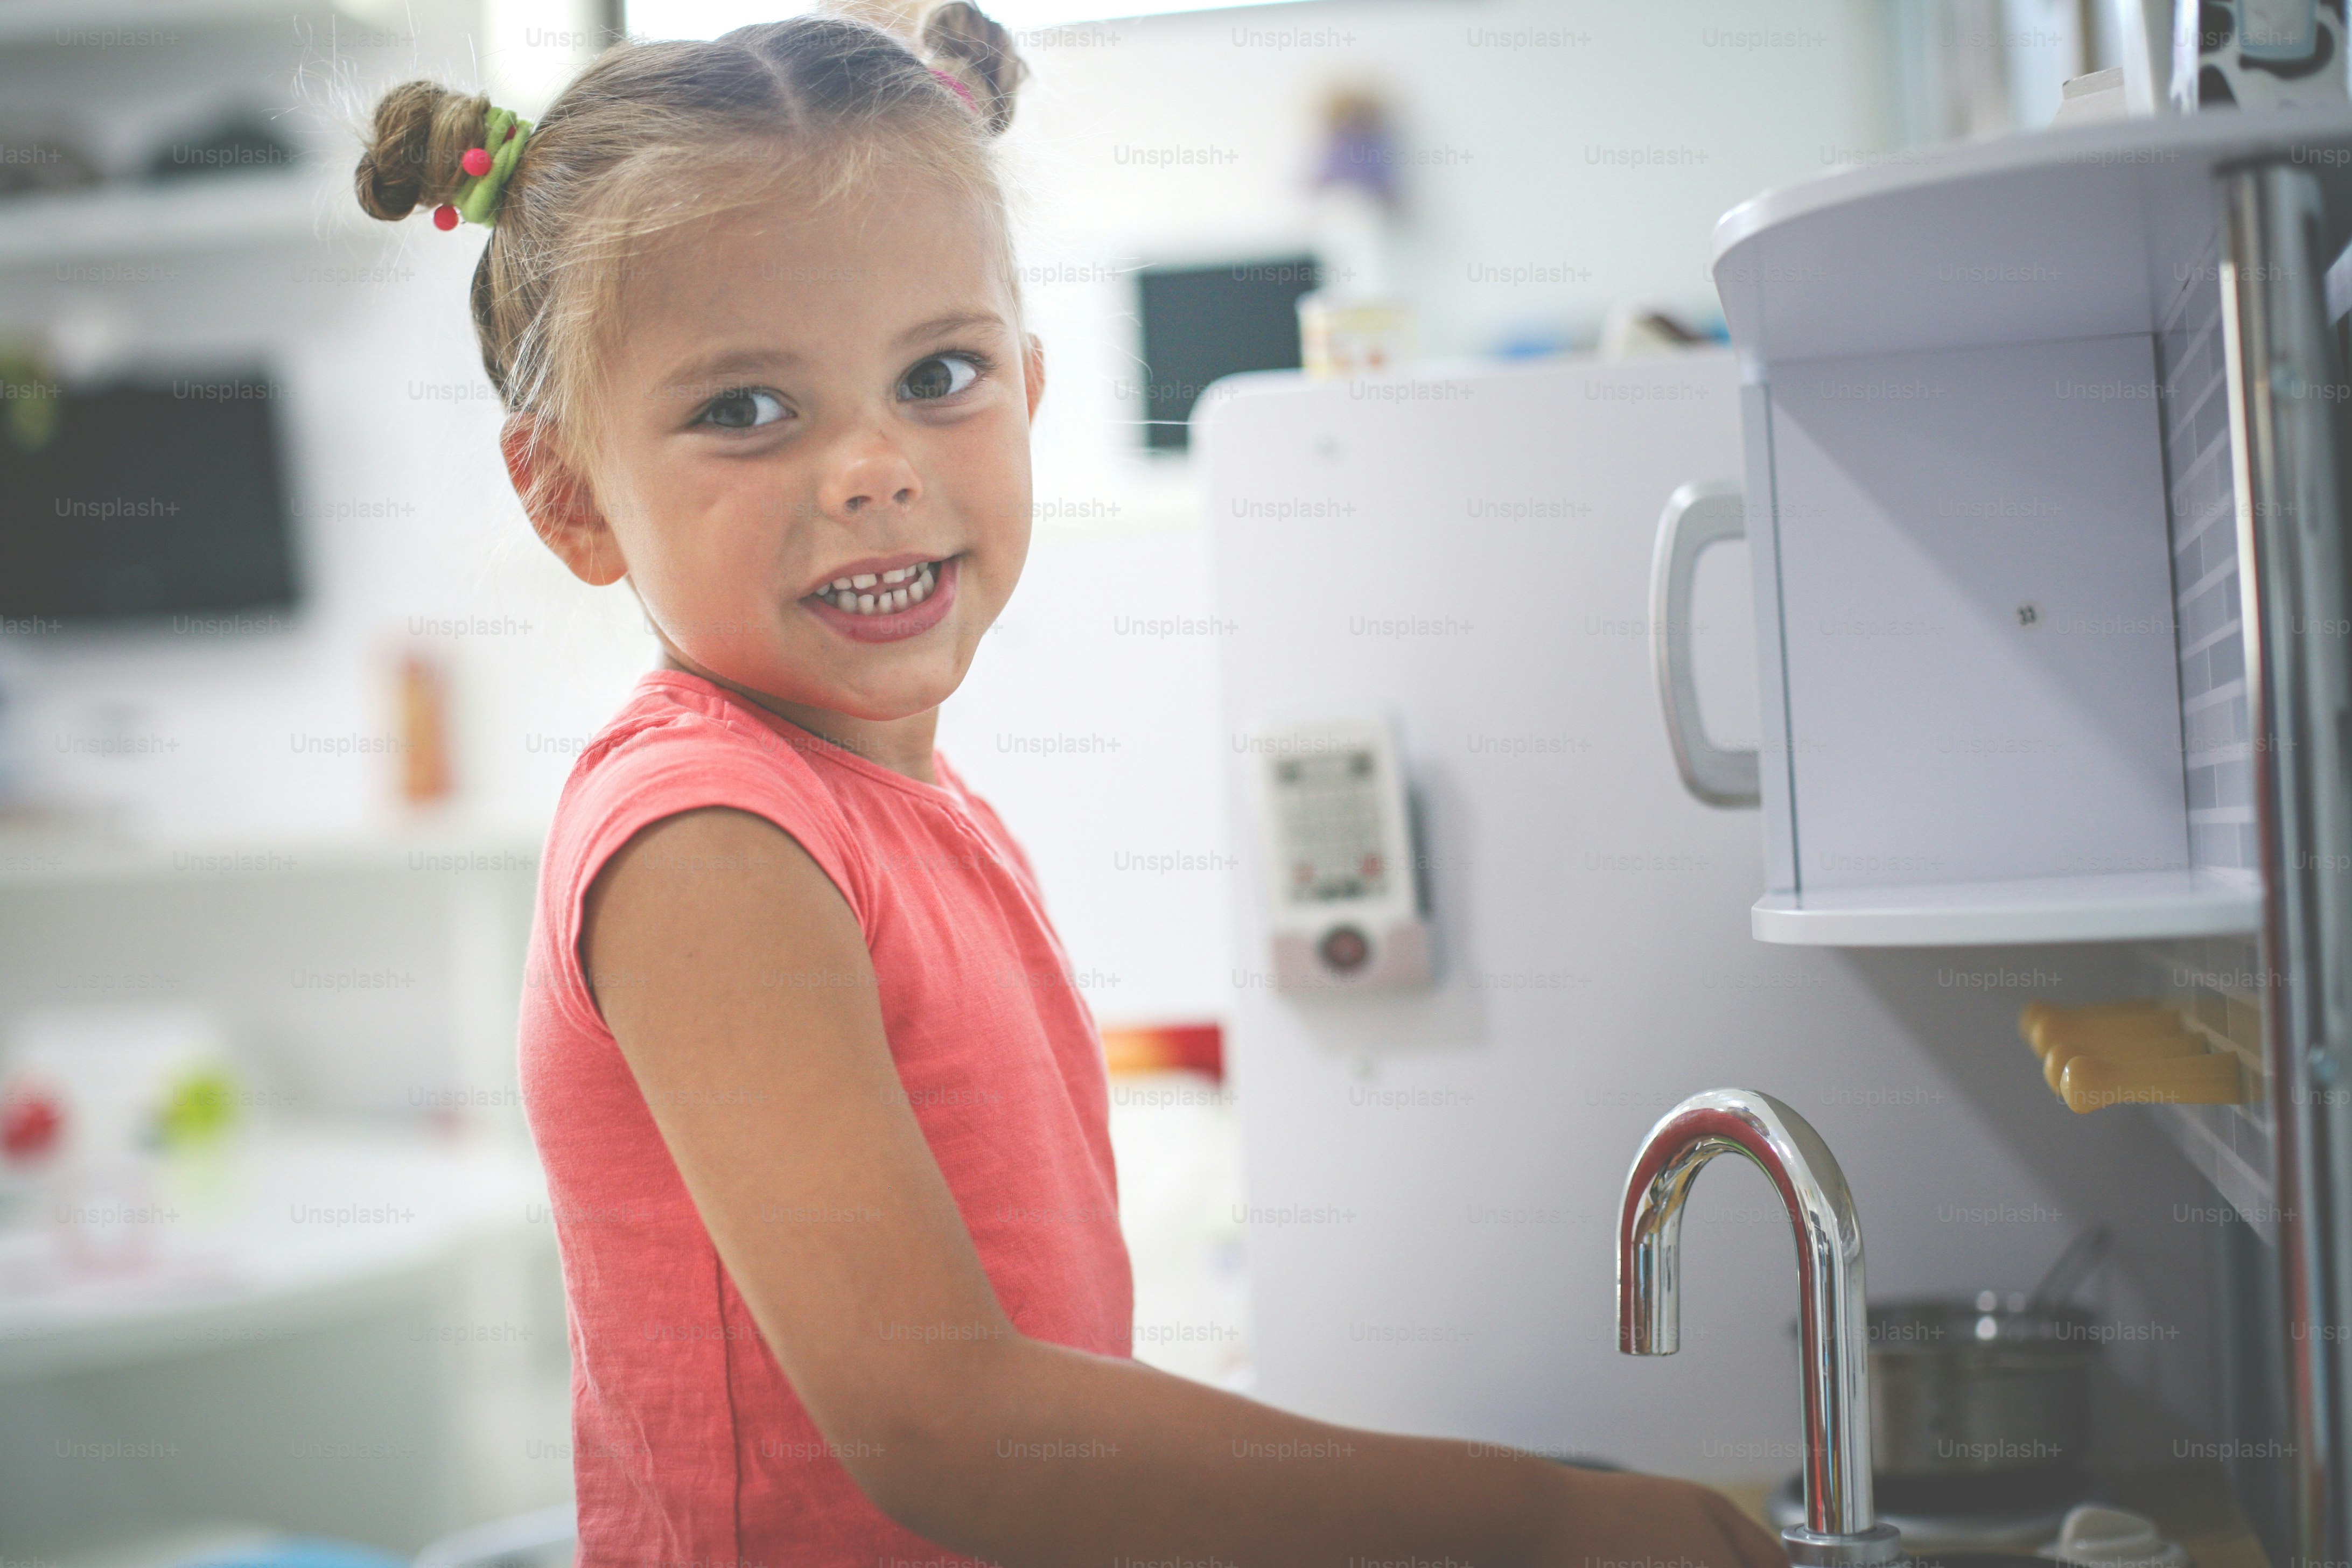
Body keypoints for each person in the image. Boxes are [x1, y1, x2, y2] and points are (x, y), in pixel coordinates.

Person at [352, 9, 1791, 1565]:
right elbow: (951, 1431)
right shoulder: (709, 839)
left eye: (939, 373)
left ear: (1030, 391)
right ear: (570, 495)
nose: (873, 468)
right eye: (746, 410)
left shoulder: (908, 807)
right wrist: (1537, 1520)